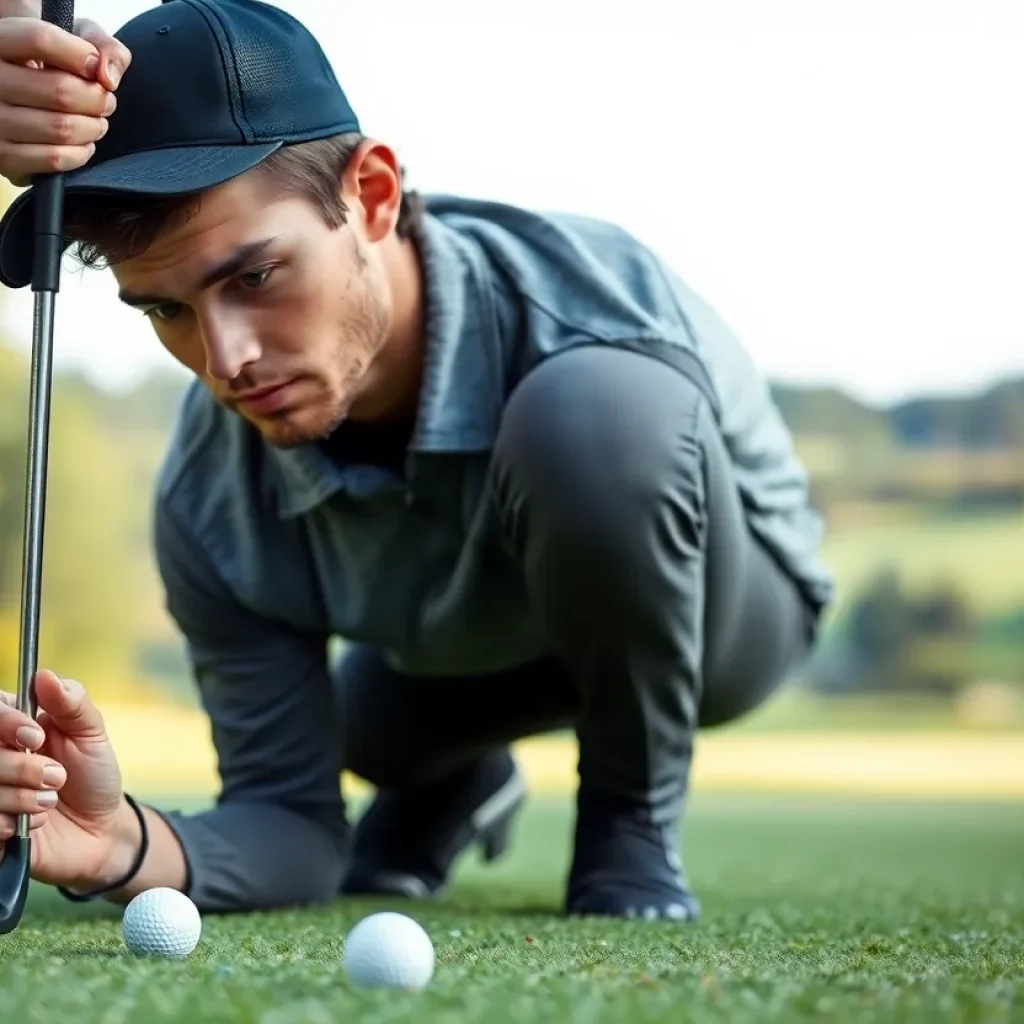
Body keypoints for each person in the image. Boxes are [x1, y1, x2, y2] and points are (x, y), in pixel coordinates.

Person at [0, 0, 834, 921]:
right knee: (358, 733)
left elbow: (631, 467)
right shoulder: (206, 491)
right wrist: (121, 842)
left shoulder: (583, 306)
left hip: (720, 622)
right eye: (165, 310)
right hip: (468, 658)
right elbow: (287, 819)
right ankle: (453, 784)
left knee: (591, 419)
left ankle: (627, 828)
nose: (224, 357)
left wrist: (628, 827)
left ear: (374, 195)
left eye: (255, 277)